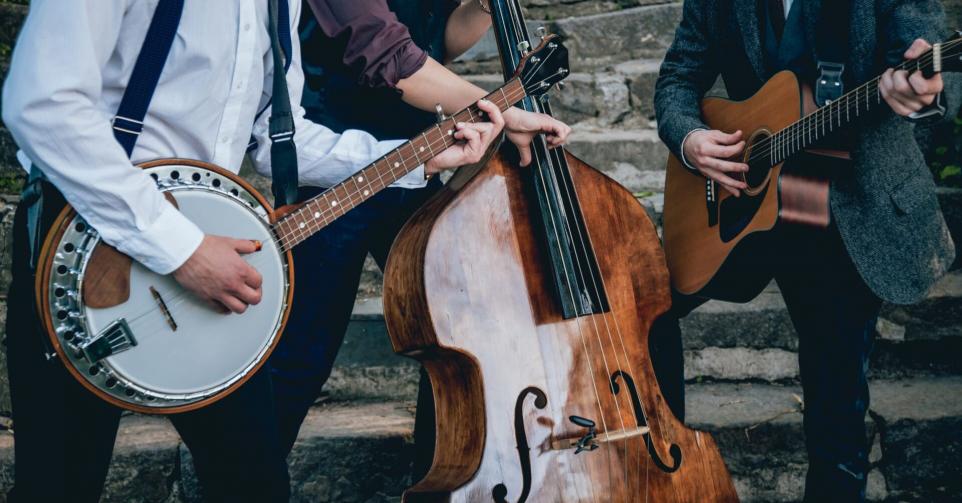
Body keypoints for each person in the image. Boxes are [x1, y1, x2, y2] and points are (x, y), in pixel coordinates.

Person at [0, 1, 524, 501]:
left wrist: (421, 157)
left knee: (254, 486)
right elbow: (41, 104)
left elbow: (283, 141)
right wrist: (183, 250)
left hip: (209, 273)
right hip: (85, 255)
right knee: (59, 487)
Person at [652, 0, 959, 501]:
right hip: (738, 205)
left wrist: (922, 85)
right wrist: (689, 140)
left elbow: (921, 44)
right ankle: (660, 466)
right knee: (646, 307)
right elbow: (678, 78)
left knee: (836, 419)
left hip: (848, 209)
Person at [270, 0, 571, 476]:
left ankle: (447, 478)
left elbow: (436, 41)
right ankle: (248, 477)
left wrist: (481, 9)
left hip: (418, 159)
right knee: (301, 355)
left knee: (459, 334)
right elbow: (385, 53)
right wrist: (500, 110)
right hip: (332, 165)